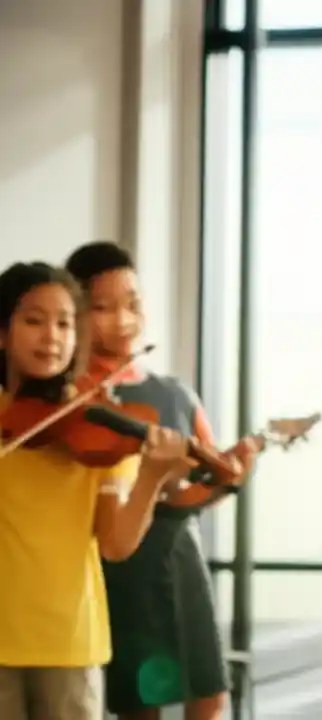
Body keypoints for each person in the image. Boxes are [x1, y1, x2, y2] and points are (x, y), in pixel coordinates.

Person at [64, 242, 258, 720]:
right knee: (142, 704)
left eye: (133, 304)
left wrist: (231, 475)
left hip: (180, 557)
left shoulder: (174, 393)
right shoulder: (69, 398)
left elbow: (186, 494)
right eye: (103, 308)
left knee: (209, 696)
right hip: (121, 567)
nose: (123, 319)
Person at [0, 261, 193, 720]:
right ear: (2, 333)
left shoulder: (95, 424)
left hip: (69, 639)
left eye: (65, 323)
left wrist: (150, 477)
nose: (52, 336)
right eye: (34, 320)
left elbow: (115, 543)